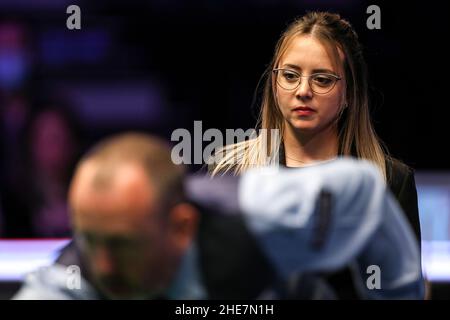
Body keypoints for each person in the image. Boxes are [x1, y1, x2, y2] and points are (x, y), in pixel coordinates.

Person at [13, 132, 424, 300]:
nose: (101, 264)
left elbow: (364, 192)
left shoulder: (263, 212)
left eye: (122, 244)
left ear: (181, 226)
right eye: (89, 238)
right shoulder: (71, 283)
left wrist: (398, 293)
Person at [209, 11, 421, 242]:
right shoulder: (230, 172)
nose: (303, 91)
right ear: (274, 83)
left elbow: (401, 278)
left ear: (350, 91)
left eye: (322, 79)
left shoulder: (389, 182)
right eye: (290, 76)